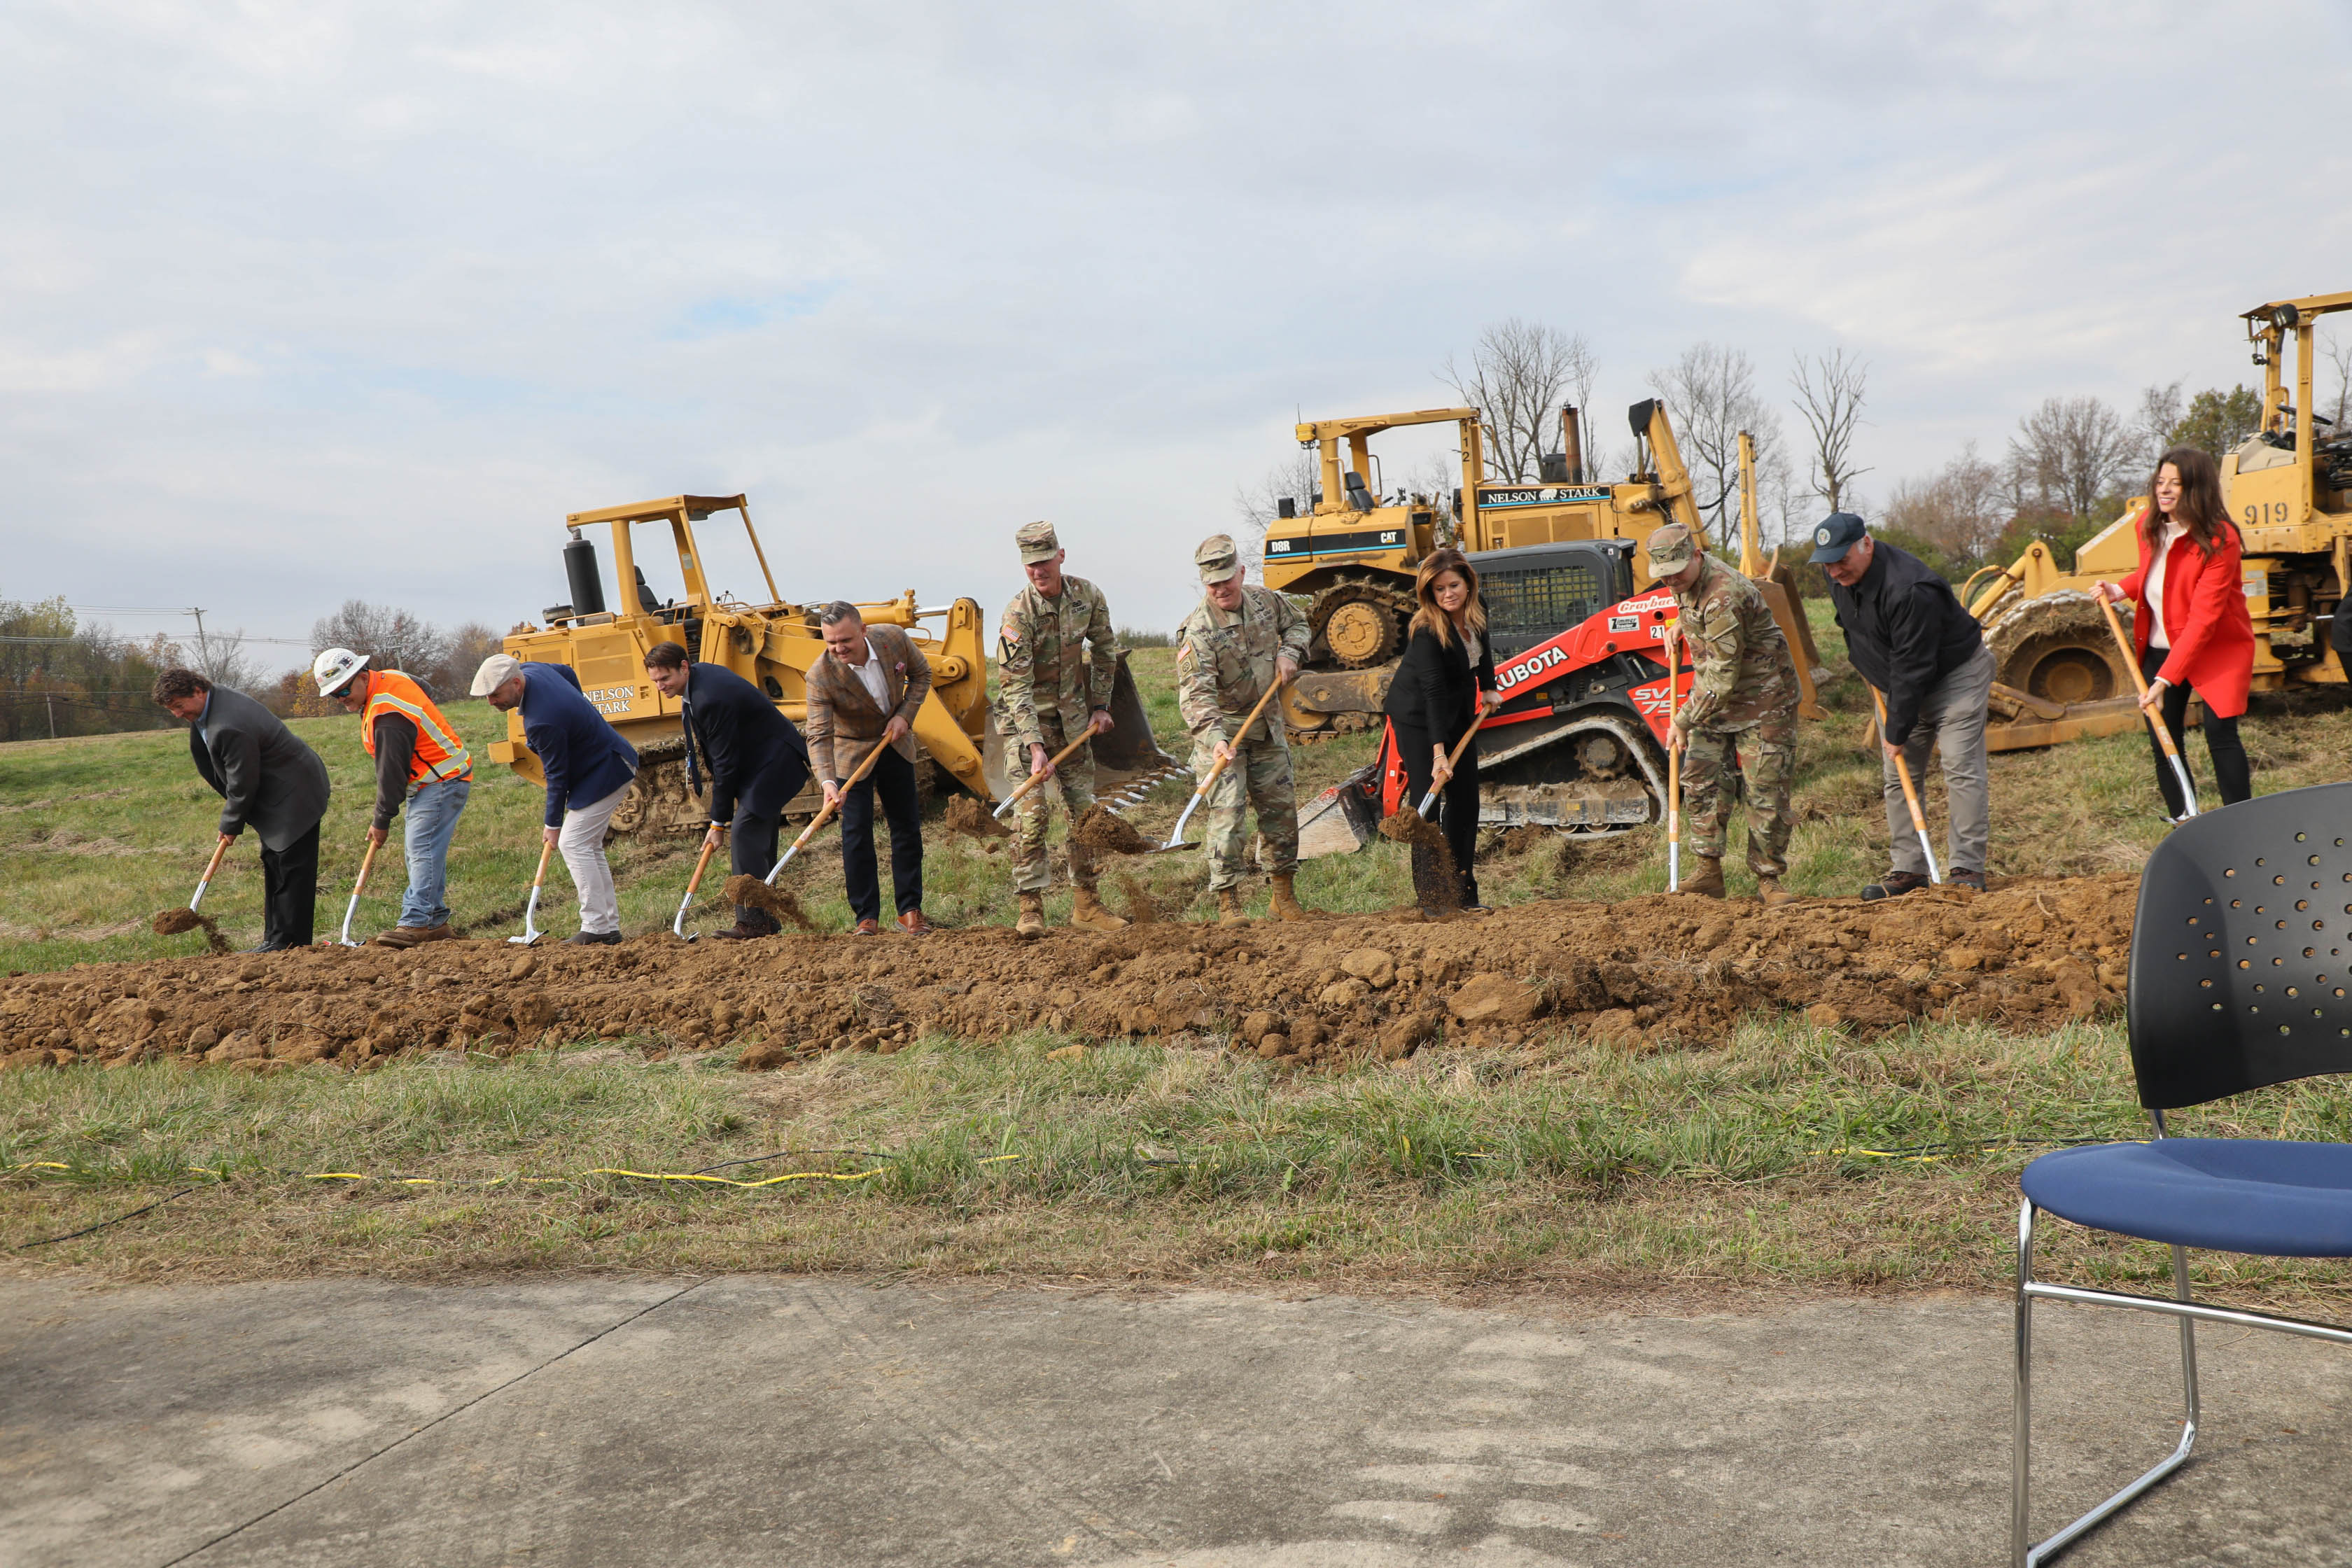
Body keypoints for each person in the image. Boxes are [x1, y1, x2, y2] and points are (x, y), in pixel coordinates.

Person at [1812, 513, 1995, 897]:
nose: (1834, 570)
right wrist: (1870, 668)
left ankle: (1965, 868)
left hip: (1955, 677)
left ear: (1867, 544)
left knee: (1960, 766)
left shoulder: (1910, 588)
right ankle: (1909, 870)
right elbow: (1855, 628)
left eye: (1841, 559)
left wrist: (1896, 731)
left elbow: (1915, 666)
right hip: (1897, 681)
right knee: (1898, 776)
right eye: (1827, 562)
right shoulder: (1838, 577)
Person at [2094, 446, 2256, 817]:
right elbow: (2158, 575)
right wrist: (2121, 589)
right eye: (2160, 482)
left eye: (2176, 484)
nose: (2164, 490)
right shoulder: (2148, 527)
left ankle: (2242, 825)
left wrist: (2165, 681)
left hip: (2217, 648)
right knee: (2163, 738)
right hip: (2161, 646)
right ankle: (2185, 824)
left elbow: (2204, 619)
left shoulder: (2221, 538)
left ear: (2196, 488)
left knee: (2220, 734)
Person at [1646, 523, 1799, 906]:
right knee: (1701, 781)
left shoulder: (1724, 594)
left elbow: (1722, 677)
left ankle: (1769, 880)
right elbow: (1698, 611)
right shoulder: (1686, 581)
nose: (1671, 582)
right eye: (1664, 576)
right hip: (1715, 699)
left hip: (1763, 699)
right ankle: (1709, 874)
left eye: (1678, 572)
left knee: (1765, 790)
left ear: (1696, 555)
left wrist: (1680, 721)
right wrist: (1682, 623)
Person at [998, 519, 1128, 937]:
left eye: (1044, 561)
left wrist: (1102, 704)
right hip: (1027, 724)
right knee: (1032, 817)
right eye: (1030, 564)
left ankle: (1087, 906)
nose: (1038, 571)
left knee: (1084, 816)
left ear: (1061, 556)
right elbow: (1014, 686)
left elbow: (1106, 650)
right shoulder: (1018, 615)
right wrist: (1035, 746)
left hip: (1074, 721)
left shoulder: (1087, 596)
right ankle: (1030, 907)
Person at [1176, 533, 1312, 924]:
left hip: (1268, 729)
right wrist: (1217, 740)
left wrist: (1290, 652)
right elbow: (1196, 695)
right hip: (1222, 734)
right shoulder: (1198, 631)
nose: (1221, 589)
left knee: (1281, 813)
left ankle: (1283, 898)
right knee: (1228, 817)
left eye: (1226, 579)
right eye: (1212, 583)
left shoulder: (1266, 601)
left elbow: (1299, 624)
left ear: (1241, 571)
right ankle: (1228, 904)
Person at [151, 667, 332, 951]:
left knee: (291, 867)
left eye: (178, 706)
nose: (176, 714)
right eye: (171, 708)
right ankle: (274, 939)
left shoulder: (229, 724)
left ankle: (290, 944)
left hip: (294, 791)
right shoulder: (209, 706)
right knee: (274, 862)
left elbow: (242, 781)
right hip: (274, 789)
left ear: (198, 692)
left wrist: (231, 822)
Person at [643, 640, 811, 941]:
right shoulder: (697, 681)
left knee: (745, 831)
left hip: (775, 760)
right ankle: (766, 919)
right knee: (757, 837)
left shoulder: (709, 698)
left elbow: (725, 765)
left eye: (665, 679)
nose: (660, 686)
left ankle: (753, 922)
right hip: (758, 760)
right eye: (655, 680)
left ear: (684, 667)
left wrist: (717, 823)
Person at [472, 653, 639, 946]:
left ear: (515, 683)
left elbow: (557, 778)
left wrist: (552, 824)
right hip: (606, 762)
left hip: (608, 771)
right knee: (587, 846)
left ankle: (597, 927)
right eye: (487, 696)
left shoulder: (542, 720)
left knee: (572, 843)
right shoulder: (532, 669)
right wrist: (579, 710)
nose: (491, 702)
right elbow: (567, 671)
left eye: (495, 694)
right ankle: (606, 926)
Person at [312, 648, 474, 945]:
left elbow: (391, 777)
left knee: (422, 849)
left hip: (440, 780)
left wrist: (381, 820)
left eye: (345, 689)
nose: (342, 698)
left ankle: (414, 922)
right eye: (335, 694)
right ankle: (435, 921)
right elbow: (422, 687)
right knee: (423, 850)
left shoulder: (388, 716)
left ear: (362, 677)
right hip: (433, 778)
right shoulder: (390, 678)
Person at [1380, 547, 1500, 915]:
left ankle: (1464, 894)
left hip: (1459, 711)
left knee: (1466, 802)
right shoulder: (1427, 632)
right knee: (1427, 805)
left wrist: (1489, 685)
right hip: (1418, 718)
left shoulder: (1477, 616)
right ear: (1429, 594)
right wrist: (1437, 755)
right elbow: (1431, 693)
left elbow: (1483, 653)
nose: (1448, 594)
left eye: (1454, 585)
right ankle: (1433, 900)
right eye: (1439, 589)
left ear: (1468, 585)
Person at [803, 603, 934, 935]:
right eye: (830, 642)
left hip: (895, 742)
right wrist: (828, 782)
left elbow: (922, 676)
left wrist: (905, 714)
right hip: (853, 753)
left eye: (845, 640)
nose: (838, 649)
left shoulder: (894, 639)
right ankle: (866, 917)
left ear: (863, 630)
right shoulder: (821, 675)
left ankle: (909, 911)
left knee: (905, 827)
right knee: (856, 834)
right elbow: (819, 735)